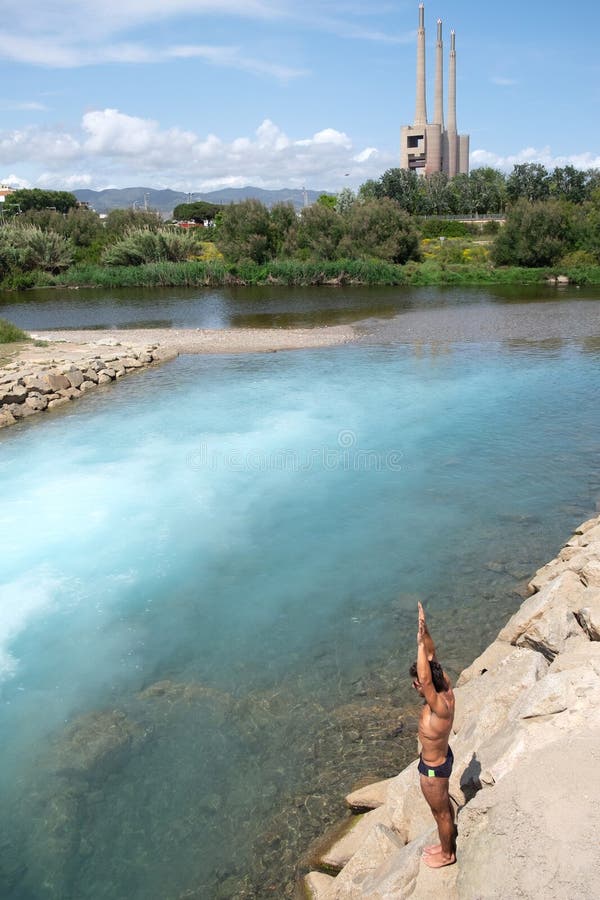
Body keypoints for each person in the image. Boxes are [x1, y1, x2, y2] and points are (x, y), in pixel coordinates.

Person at [409, 601, 456, 868]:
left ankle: (448, 854)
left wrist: (418, 645)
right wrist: (423, 634)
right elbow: (432, 655)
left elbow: (425, 680)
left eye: (416, 683)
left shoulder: (438, 706)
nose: (416, 687)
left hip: (433, 771)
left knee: (440, 814)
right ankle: (445, 842)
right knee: (443, 811)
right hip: (442, 758)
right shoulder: (446, 687)